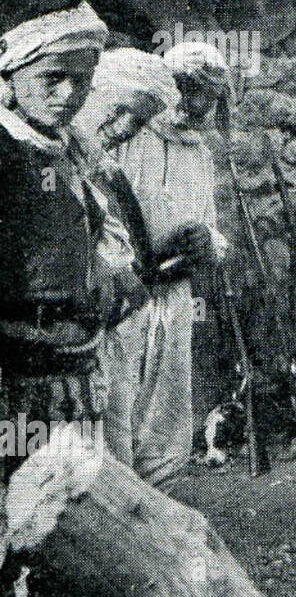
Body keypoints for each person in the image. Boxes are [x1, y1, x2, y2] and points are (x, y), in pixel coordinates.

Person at [0, 2, 133, 597]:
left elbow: (100, 231)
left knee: (66, 511)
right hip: (12, 369)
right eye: (52, 76)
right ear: (13, 72)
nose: (68, 93)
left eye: (82, 78)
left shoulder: (74, 146)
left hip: (75, 363)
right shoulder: (3, 151)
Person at [113, 41, 230, 494]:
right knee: (121, 400)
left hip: (176, 294)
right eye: (188, 90)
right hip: (127, 295)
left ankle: (160, 500)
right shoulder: (129, 136)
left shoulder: (198, 151)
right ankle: (120, 511)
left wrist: (206, 242)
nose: (197, 105)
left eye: (208, 96)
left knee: (166, 404)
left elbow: (210, 227)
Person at [73, 49, 181, 475]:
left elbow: (135, 250)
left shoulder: (109, 172)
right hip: (67, 331)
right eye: (116, 111)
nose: (120, 129)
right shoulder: (39, 158)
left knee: (115, 430)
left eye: (134, 123)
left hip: (112, 327)